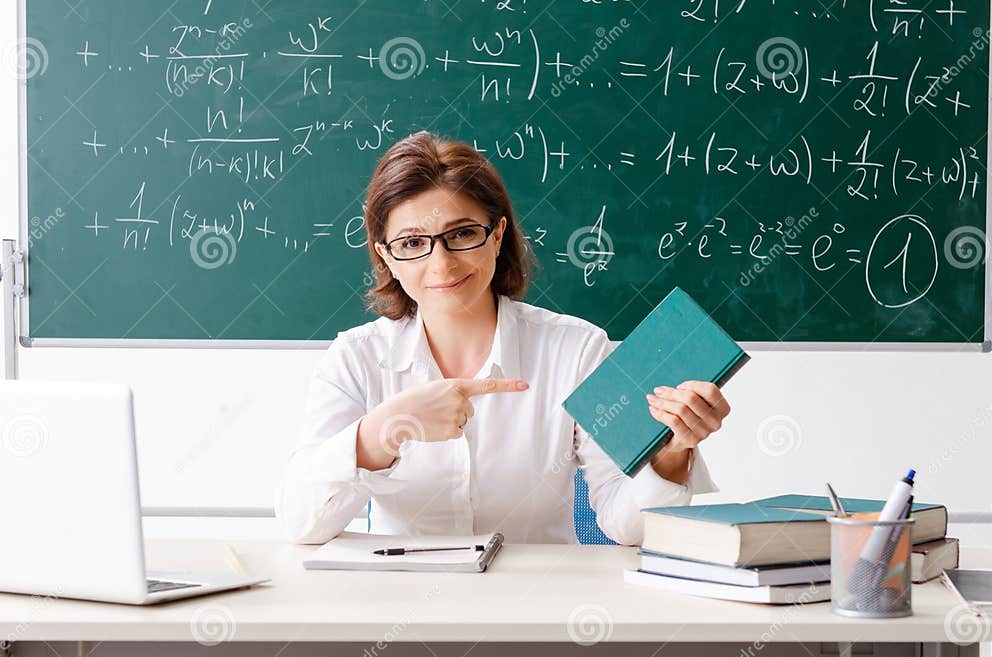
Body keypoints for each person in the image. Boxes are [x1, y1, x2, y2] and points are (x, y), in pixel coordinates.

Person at [277, 131, 730, 545]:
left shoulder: (575, 350)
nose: (442, 264)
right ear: (386, 257)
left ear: (497, 236)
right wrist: (381, 431)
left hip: (538, 613)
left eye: (462, 234)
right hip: (404, 609)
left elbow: (626, 526)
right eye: (413, 243)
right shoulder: (356, 358)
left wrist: (673, 453)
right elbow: (302, 525)